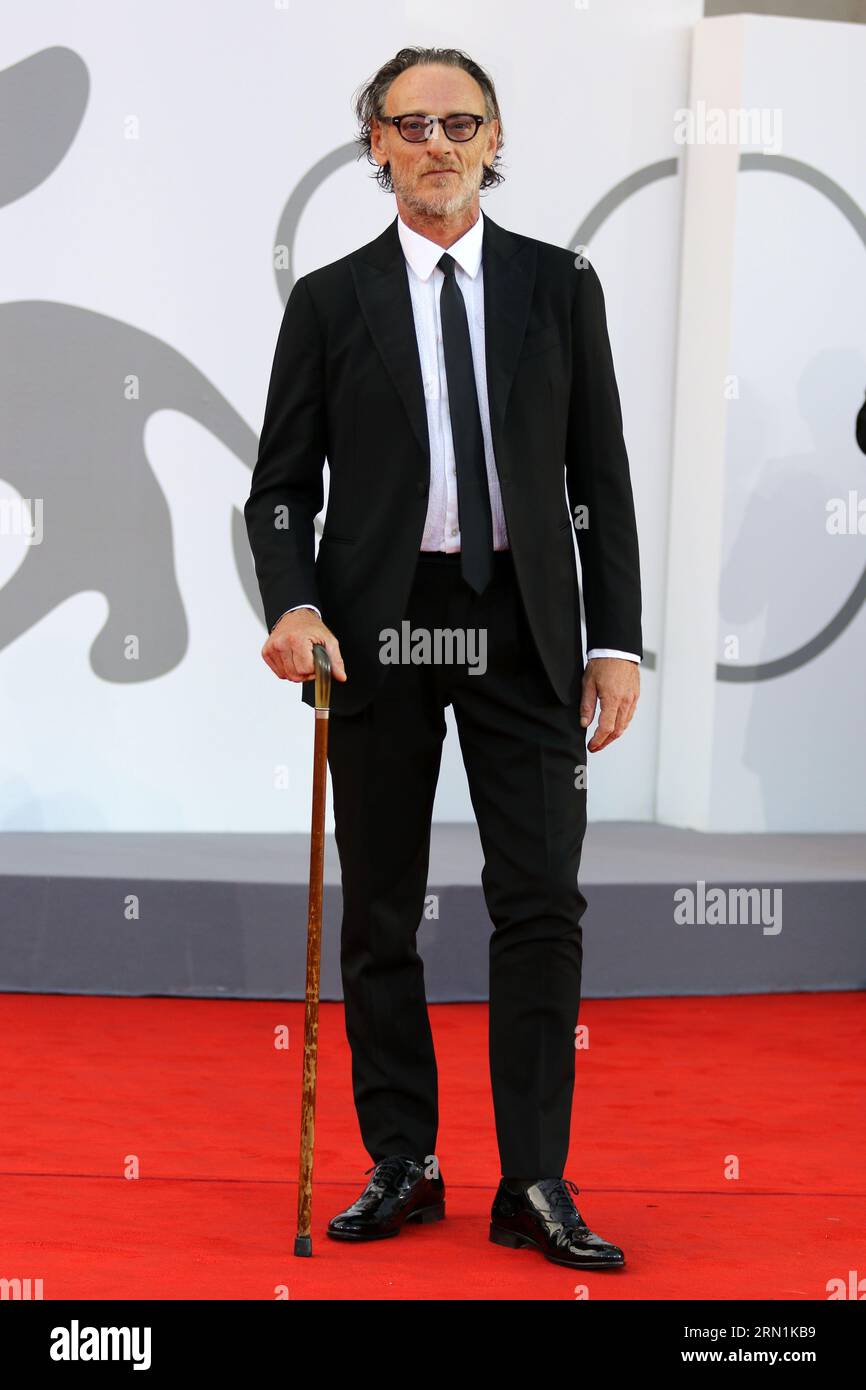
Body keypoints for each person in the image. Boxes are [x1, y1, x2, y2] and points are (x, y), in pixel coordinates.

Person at [244, 45, 642, 1270]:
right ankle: (403, 1159)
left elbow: (599, 473)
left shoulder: (558, 284)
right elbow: (279, 490)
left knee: (541, 902)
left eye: (459, 122)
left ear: (493, 136)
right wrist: (294, 604)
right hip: (375, 632)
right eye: (410, 124)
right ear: (374, 143)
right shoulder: (329, 301)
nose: (436, 144)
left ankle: (533, 1179)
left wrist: (615, 638)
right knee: (381, 905)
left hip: (524, 623)